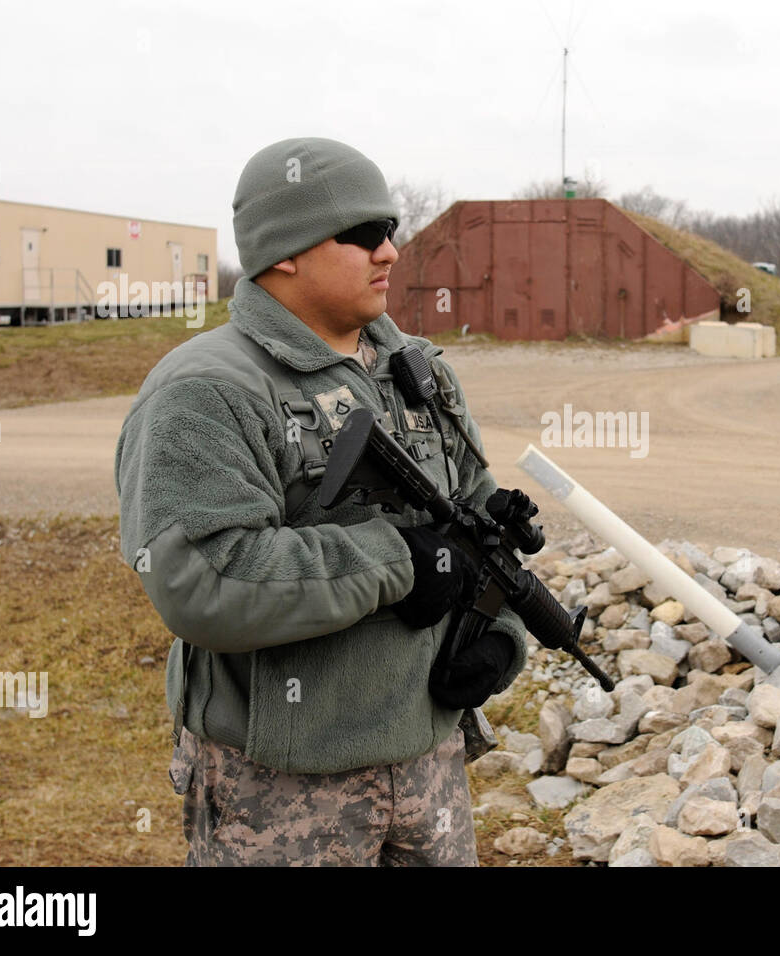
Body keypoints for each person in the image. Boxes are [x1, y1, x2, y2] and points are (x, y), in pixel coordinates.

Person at [114, 137, 528, 866]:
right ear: (285, 252)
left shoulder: (418, 371)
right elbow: (206, 579)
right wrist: (397, 561)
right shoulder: (206, 391)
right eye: (364, 234)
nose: (391, 252)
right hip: (279, 787)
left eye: (392, 232)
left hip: (428, 762)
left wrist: (501, 637)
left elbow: (473, 519)